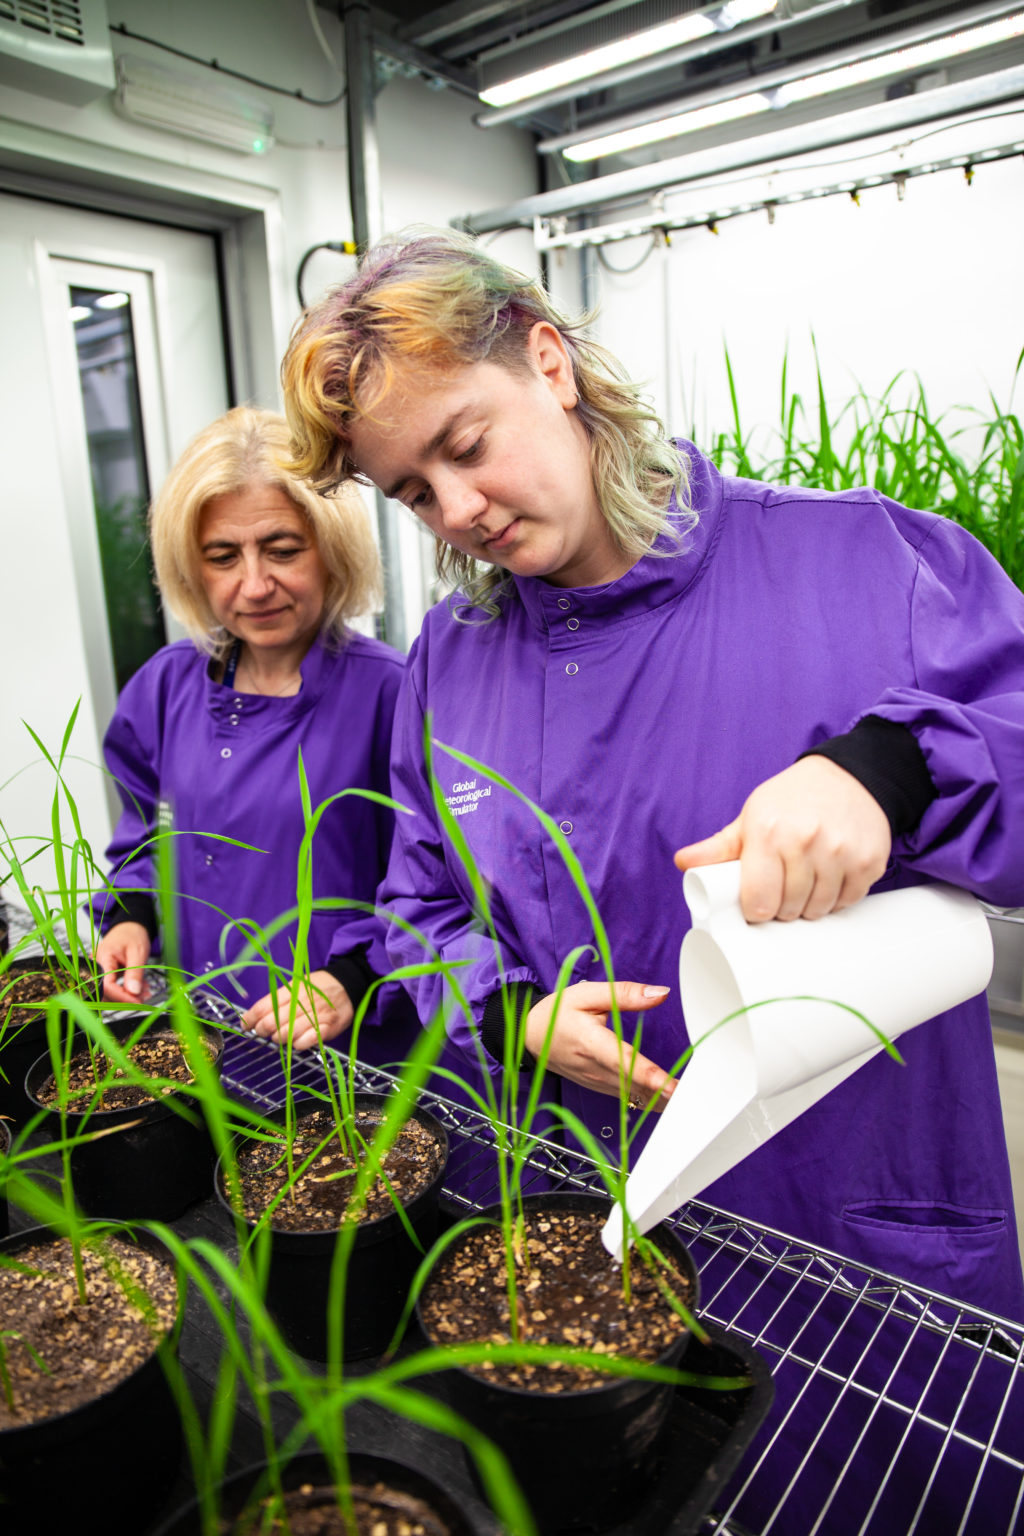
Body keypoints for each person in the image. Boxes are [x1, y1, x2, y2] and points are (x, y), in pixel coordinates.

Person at [280, 229, 1024, 1322]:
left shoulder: (863, 563)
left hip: (854, 1225)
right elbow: (417, 904)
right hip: (595, 1209)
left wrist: (890, 769)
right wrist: (514, 1013)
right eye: (415, 493)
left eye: (466, 445)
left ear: (548, 362)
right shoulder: (452, 661)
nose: (459, 510)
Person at [94, 406, 407, 1057]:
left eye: (283, 550)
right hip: (197, 1038)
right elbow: (143, 837)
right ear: (191, 567)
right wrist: (130, 915)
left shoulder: (392, 694)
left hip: (346, 1059)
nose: (255, 585)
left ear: (334, 548)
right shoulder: (165, 686)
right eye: (222, 556)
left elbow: (436, 882)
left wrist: (354, 976)